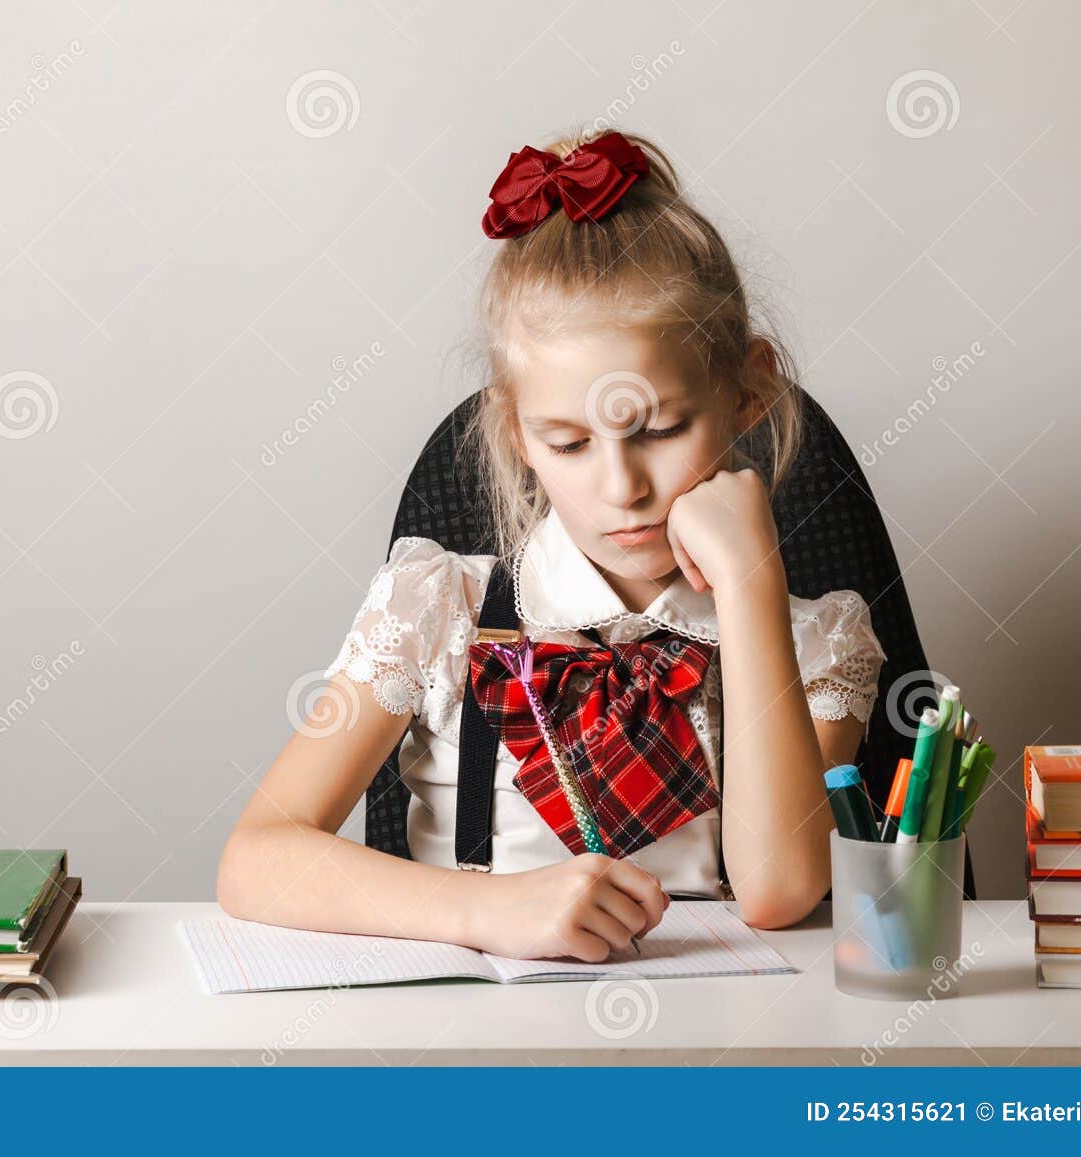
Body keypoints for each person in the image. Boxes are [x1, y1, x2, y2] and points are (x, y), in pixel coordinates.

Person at [218, 129, 886, 962]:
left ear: (748, 390)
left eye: (662, 429)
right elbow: (257, 858)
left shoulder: (817, 641)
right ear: (517, 433)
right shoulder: (437, 608)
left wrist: (751, 582)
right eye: (569, 443)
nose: (622, 486)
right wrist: (489, 910)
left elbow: (780, 889)